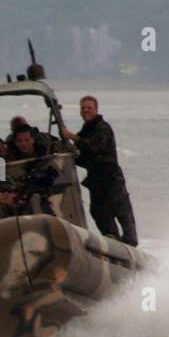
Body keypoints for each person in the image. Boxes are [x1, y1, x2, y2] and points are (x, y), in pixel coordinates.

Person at [61, 95, 138, 246]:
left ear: (96, 110)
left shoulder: (102, 127)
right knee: (98, 211)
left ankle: (130, 240)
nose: (85, 111)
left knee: (120, 208)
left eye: (89, 108)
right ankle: (113, 238)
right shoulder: (86, 130)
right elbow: (82, 155)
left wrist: (71, 137)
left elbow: (94, 146)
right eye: (83, 108)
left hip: (111, 176)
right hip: (96, 179)